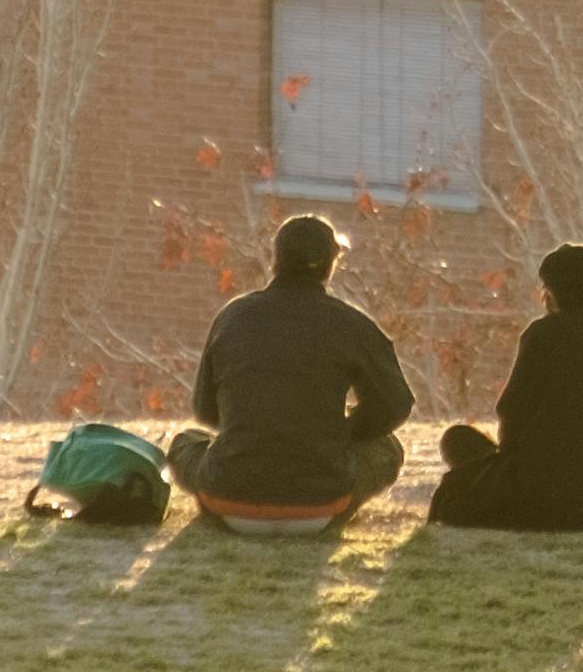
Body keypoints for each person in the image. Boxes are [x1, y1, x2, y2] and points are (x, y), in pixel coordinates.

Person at [164, 213, 417, 524]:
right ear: (330, 265)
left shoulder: (233, 317)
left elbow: (206, 411)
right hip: (323, 505)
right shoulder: (352, 325)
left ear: (276, 260)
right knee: (387, 448)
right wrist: (345, 431)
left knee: (185, 441)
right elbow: (395, 406)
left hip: (228, 500)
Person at [427, 241, 583, 531]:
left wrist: (507, 467)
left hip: (549, 497)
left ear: (553, 292)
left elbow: (513, 415)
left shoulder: (544, 335)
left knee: (458, 442)